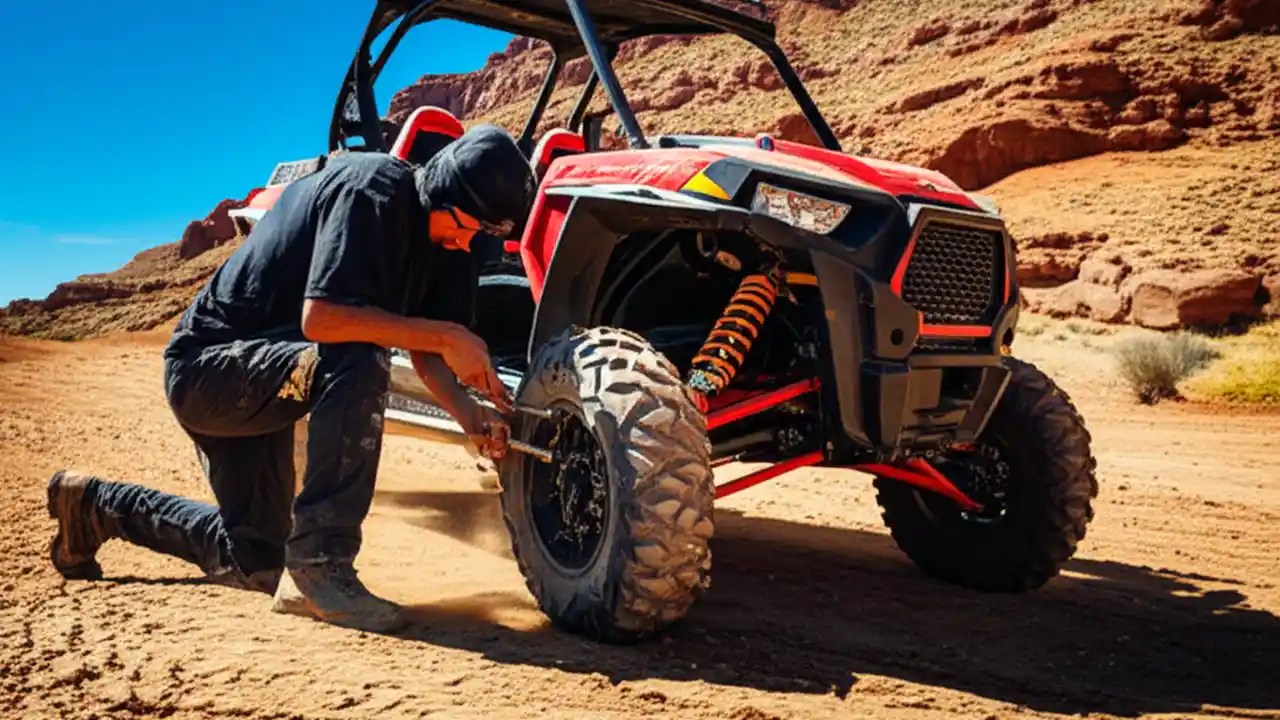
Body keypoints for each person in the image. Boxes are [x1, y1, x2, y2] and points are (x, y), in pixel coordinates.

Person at [44, 124, 537, 633]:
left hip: (275, 377)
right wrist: (444, 336)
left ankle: (93, 506)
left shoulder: (452, 246)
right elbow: (322, 319)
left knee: (254, 560)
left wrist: (468, 414)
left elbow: (429, 347)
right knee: (358, 356)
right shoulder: (369, 193)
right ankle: (319, 567)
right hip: (209, 371)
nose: (467, 241)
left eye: (483, 235)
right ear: (442, 192)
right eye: (468, 226)